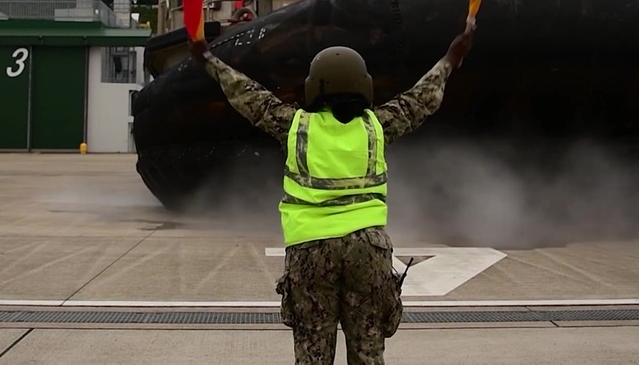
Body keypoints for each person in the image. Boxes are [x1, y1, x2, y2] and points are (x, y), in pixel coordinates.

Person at [191, 30, 474, 365]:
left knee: (313, 352)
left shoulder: (294, 126)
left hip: (310, 249)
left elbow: (249, 96)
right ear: (363, 84)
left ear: (316, 86)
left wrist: (208, 60)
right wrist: (450, 60)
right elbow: (419, 100)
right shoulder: (377, 126)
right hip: (367, 249)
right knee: (368, 353)